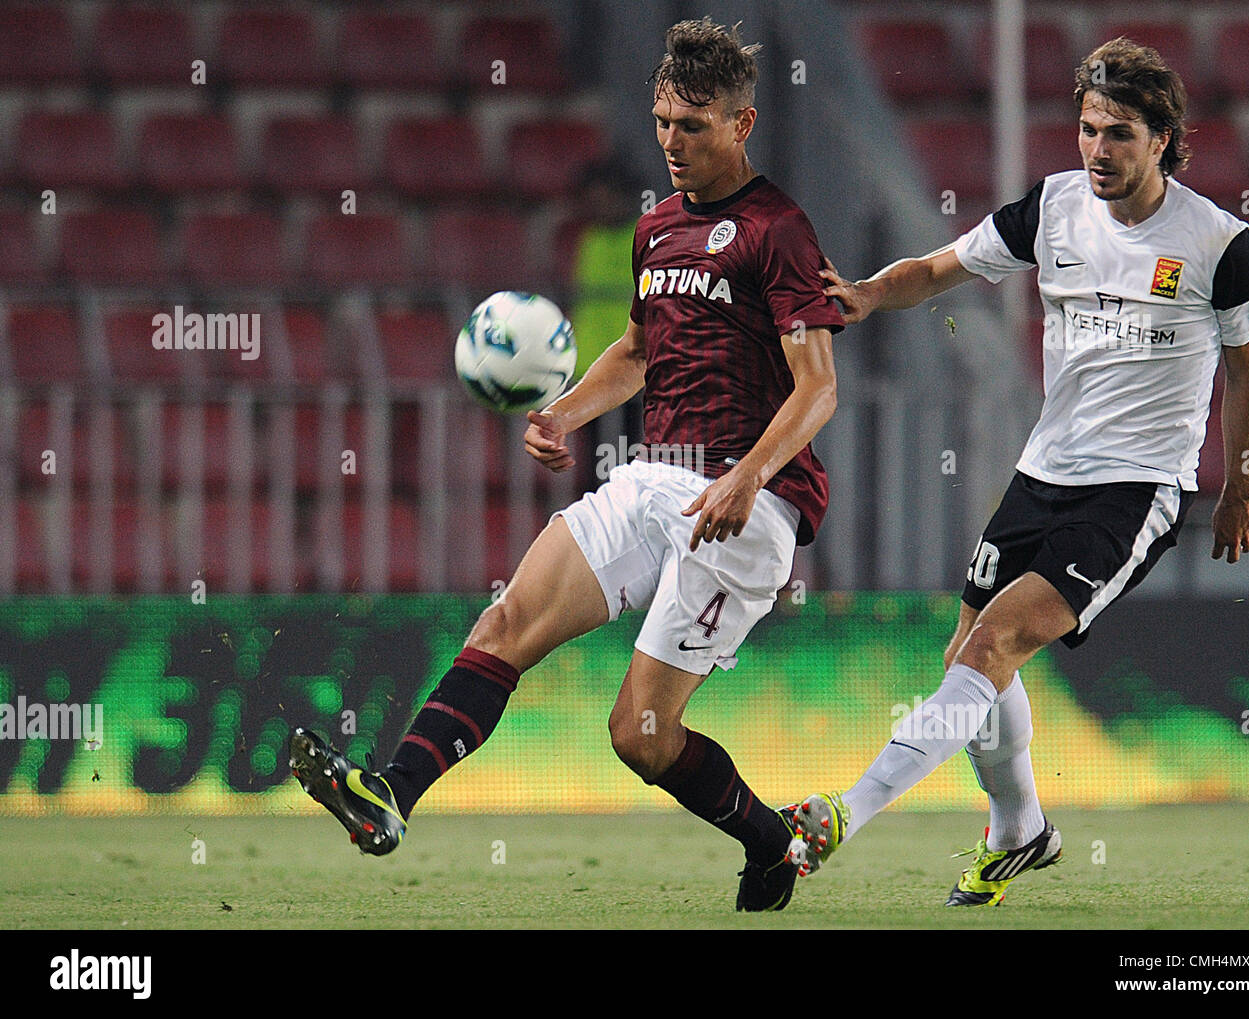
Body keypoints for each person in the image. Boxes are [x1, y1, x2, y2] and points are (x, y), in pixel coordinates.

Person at [290, 17, 843, 912]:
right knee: (505, 621)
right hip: (650, 474)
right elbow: (635, 348)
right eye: (662, 120)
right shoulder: (655, 228)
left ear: (741, 127)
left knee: (641, 735)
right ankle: (391, 792)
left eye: (692, 125)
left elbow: (817, 387)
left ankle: (772, 842)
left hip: (749, 503)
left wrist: (747, 478)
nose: (670, 140)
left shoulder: (778, 229)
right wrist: (563, 411)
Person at [790, 37, 1249, 906]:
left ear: (1163, 137)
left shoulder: (1220, 246)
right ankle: (1022, 830)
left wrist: (1238, 485)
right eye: (1088, 130)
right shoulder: (1050, 211)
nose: (1097, 150)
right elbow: (942, 267)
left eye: (1119, 134)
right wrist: (865, 291)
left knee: (990, 646)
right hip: (1042, 472)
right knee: (969, 663)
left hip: (1135, 490)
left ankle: (841, 812)